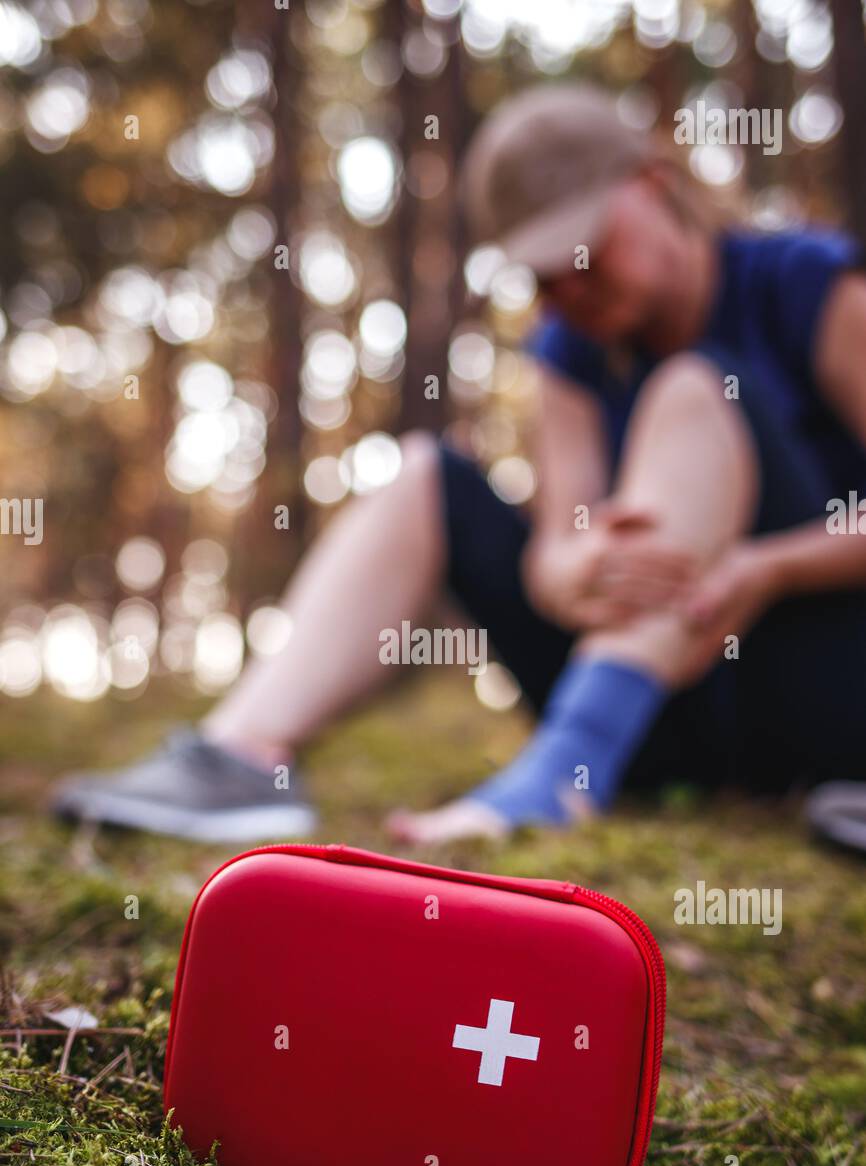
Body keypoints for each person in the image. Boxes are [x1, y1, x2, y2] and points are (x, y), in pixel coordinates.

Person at [52, 83, 866, 846]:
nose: (565, 292)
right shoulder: (567, 355)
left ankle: (555, 778)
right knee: (421, 473)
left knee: (695, 386)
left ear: (652, 185)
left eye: (583, 255)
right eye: (541, 276)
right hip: (657, 729)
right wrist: (587, 567)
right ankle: (242, 757)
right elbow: (554, 550)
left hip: (814, 693)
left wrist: (767, 569)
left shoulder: (810, 287)